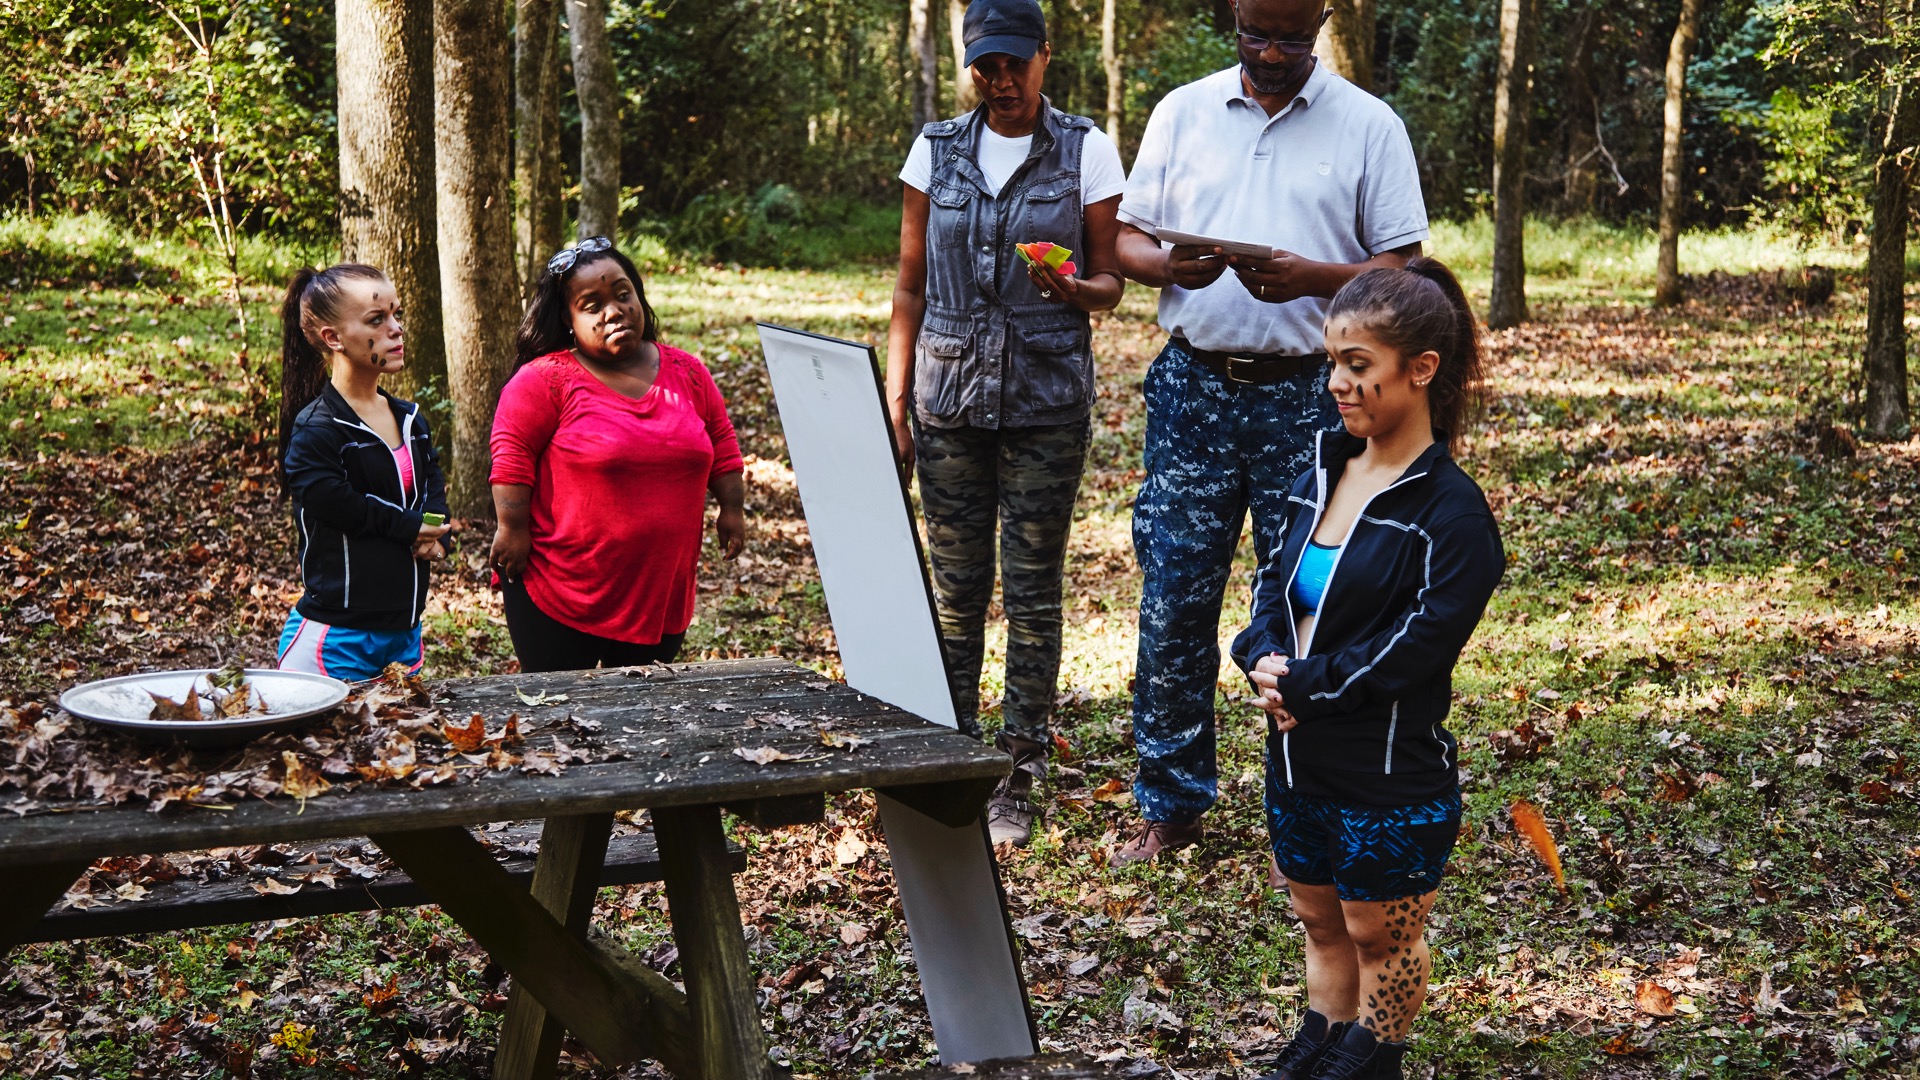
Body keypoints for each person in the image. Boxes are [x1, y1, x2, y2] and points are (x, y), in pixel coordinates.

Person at [1108, 0, 1432, 866]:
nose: (1274, 52)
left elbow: (1400, 269)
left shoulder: (1369, 125)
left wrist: (1311, 279)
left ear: (1322, 22)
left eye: (1292, 37)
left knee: (1306, 603)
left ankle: (1308, 792)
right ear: (1233, 18)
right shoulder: (1183, 111)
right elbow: (1127, 238)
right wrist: (1166, 265)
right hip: (1194, 388)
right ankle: (1171, 804)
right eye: (1256, 34)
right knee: (1175, 590)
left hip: (1313, 395)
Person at [1230, 258, 1501, 1080]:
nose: (1338, 385)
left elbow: (1415, 649)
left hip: (1389, 772)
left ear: (1420, 371)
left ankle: (1375, 1053)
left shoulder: (1453, 516)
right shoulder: (1321, 471)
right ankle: (1323, 1036)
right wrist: (1259, 655)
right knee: (1320, 922)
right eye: (1332, 364)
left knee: (1381, 933)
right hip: (1296, 754)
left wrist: (1305, 687)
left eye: (1359, 367)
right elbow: (1272, 584)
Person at [885, 0, 1128, 848]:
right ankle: (948, 758)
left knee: (1030, 589)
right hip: (947, 398)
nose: (1001, 80)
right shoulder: (936, 149)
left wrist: (1075, 291)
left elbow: (1111, 282)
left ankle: (1019, 763)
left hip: (1044, 402)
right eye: (985, 65)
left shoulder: (1085, 151)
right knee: (955, 592)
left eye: (1014, 62)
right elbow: (910, 286)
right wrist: (895, 394)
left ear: (1044, 57)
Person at [489, 238, 745, 673]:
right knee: (562, 712)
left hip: (658, 590)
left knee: (640, 715)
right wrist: (511, 527)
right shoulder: (544, 380)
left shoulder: (688, 372)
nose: (614, 310)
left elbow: (721, 442)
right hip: (561, 588)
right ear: (568, 321)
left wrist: (732, 509)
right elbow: (511, 454)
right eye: (592, 305)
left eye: (623, 294)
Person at [277, 263, 451, 681]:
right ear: (332, 338)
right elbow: (340, 505)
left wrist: (433, 530)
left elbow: (431, 482)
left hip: (405, 638)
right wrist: (409, 528)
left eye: (397, 314)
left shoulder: (409, 418)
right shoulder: (316, 429)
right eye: (377, 319)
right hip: (335, 643)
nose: (397, 329)